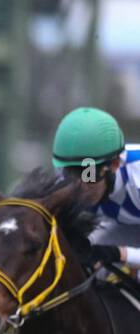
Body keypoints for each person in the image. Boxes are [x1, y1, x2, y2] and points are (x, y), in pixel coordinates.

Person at [51, 107, 140, 272]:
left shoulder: (137, 175)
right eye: (70, 174)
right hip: (124, 225)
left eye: (87, 174)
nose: (78, 187)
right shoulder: (63, 179)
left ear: (114, 164)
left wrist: (121, 254)